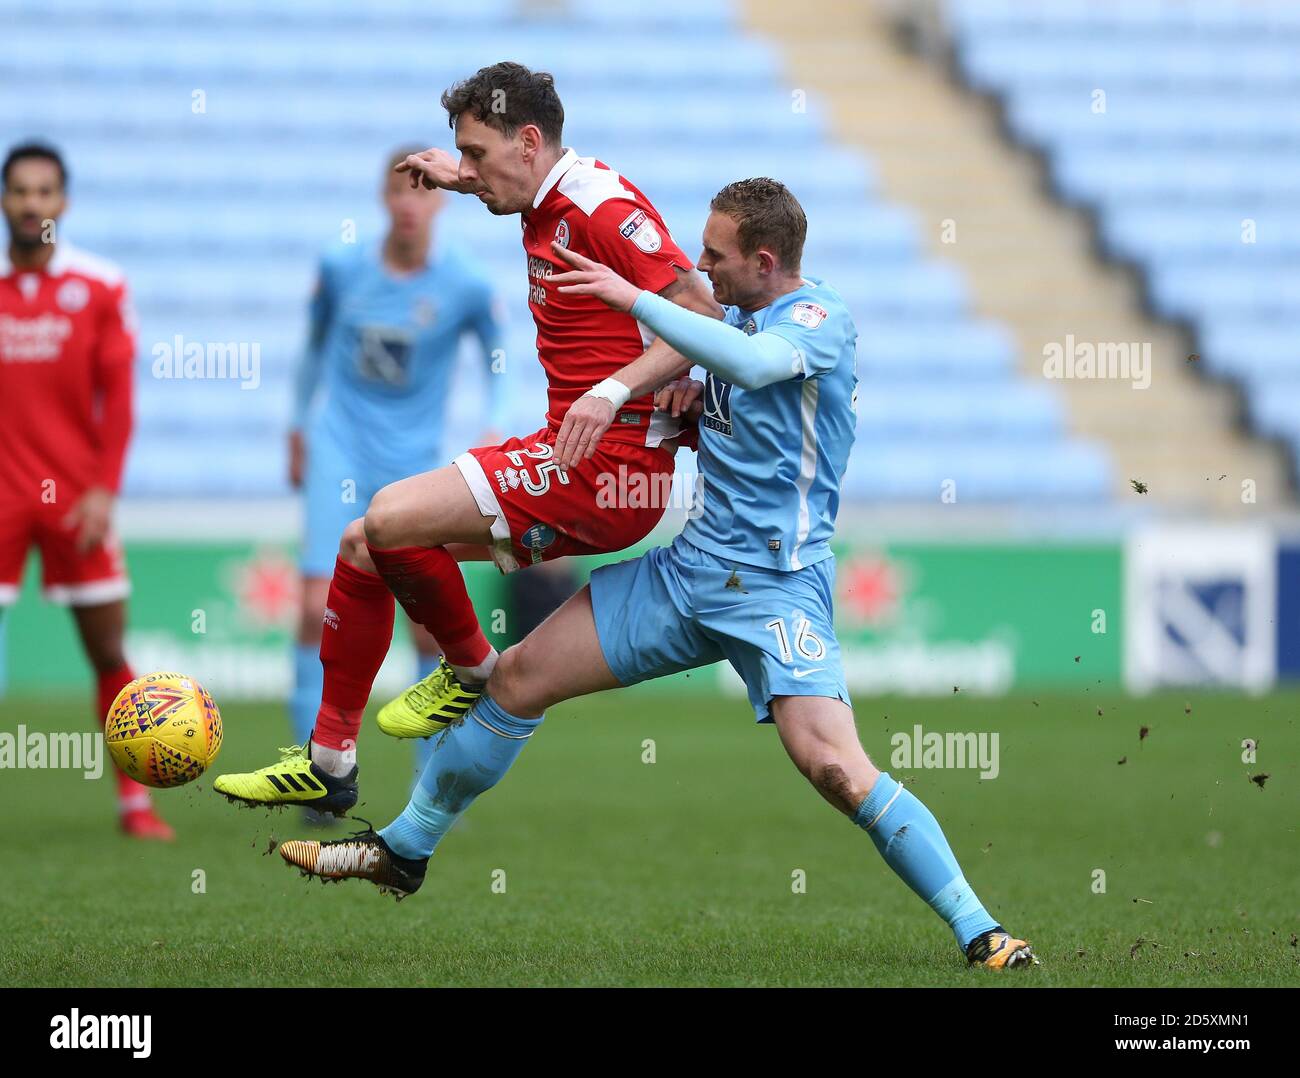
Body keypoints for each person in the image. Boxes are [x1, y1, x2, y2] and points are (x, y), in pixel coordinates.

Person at [277, 178, 1037, 969]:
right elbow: (714, 369)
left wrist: (634, 301)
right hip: (687, 573)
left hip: (776, 587)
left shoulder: (816, 320)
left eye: (715, 256)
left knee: (837, 770)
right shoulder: (734, 317)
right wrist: (651, 395)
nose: (700, 267)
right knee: (517, 679)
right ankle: (404, 850)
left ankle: (981, 931)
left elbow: (751, 361)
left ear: (765, 260)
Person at [213, 61, 718, 815]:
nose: (471, 171)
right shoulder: (540, 193)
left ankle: (473, 669)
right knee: (364, 544)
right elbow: (522, 195)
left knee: (387, 518)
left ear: (529, 142)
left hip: (603, 467)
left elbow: (701, 313)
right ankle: (329, 761)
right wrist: (463, 178)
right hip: (577, 456)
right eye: (465, 157)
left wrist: (619, 391)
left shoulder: (599, 206)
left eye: (479, 155)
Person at [288, 146, 506, 793]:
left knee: (424, 620)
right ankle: (319, 768)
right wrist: (298, 424)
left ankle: (428, 781)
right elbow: (311, 348)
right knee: (310, 604)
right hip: (341, 444)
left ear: (440, 199)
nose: (410, 202)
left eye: (422, 190)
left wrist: (495, 421)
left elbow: (502, 358)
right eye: (399, 190)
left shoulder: (464, 282)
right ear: (384, 198)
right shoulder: (341, 265)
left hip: (413, 458)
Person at [0, 142, 172, 839]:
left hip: (76, 500)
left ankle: (134, 802)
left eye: (45, 192)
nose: (32, 203)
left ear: (62, 203)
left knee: (107, 653)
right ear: (5, 202)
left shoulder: (101, 285)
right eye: (19, 192)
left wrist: (103, 490)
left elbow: (120, 400)